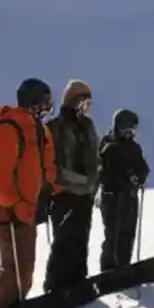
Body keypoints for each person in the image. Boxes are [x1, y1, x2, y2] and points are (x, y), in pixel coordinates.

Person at [0, 78, 57, 308]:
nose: (47, 109)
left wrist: (50, 189)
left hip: (26, 210)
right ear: (33, 102)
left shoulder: (36, 128)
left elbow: (42, 167)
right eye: (44, 103)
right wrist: (16, 205)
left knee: (25, 269)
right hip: (9, 213)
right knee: (13, 270)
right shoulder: (8, 128)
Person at [43, 79, 99, 291]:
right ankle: (54, 285)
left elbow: (94, 158)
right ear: (72, 100)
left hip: (85, 194)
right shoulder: (55, 127)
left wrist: (93, 182)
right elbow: (51, 164)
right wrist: (76, 181)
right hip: (63, 193)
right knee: (64, 241)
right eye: (83, 101)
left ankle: (78, 280)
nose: (86, 107)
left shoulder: (88, 125)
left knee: (81, 238)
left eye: (89, 103)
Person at [97, 108, 149, 271]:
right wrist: (125, 177)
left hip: (129, 196)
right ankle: (108, 268)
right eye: (125, 129)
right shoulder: (108, 145)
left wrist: (139, 177)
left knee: (127, 232)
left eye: (132, 129)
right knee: (112, 233)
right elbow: (102, 172)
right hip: (111, 196)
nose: (129, 133)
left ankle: (124, 265)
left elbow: (143, 167)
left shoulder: (134, 147)